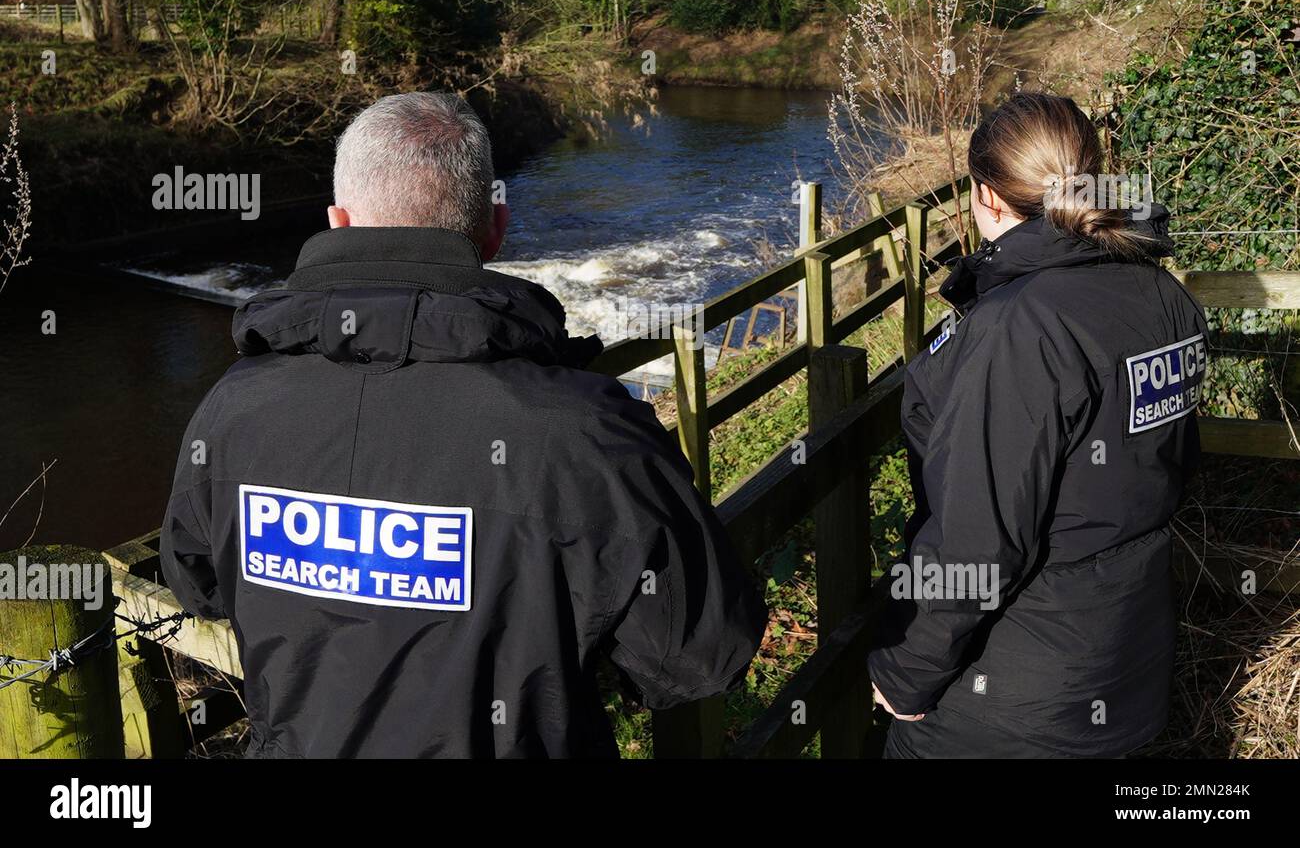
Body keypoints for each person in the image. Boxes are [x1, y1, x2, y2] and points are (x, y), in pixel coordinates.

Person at [160, 91, 766, 758]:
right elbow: (696, 655)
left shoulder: (231, 408)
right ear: (495, 227)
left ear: (336, 221)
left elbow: (198, 585)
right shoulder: (586, 433)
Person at [868, 93, 1209, 758]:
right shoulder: (1162, 294)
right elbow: (1172, 465)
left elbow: (979, 538)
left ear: (987, 197)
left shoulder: (1021, 327)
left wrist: (907, 673)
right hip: (1125, 661)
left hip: (1012, 697)